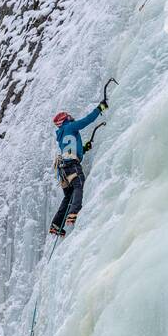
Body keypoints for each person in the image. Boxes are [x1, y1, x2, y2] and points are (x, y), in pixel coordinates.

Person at [49, 99, 107, 237]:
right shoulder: (70, 126)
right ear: (64, 120)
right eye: (68, 116)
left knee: (68, 195)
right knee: (79, 184)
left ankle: (56, 225)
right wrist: (100, 108)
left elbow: (70, 149)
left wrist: (84, 149)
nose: (70, 117)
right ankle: (73, 213)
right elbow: (86, 120)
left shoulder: (62, 133)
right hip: (71, 165)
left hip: (62, 167)